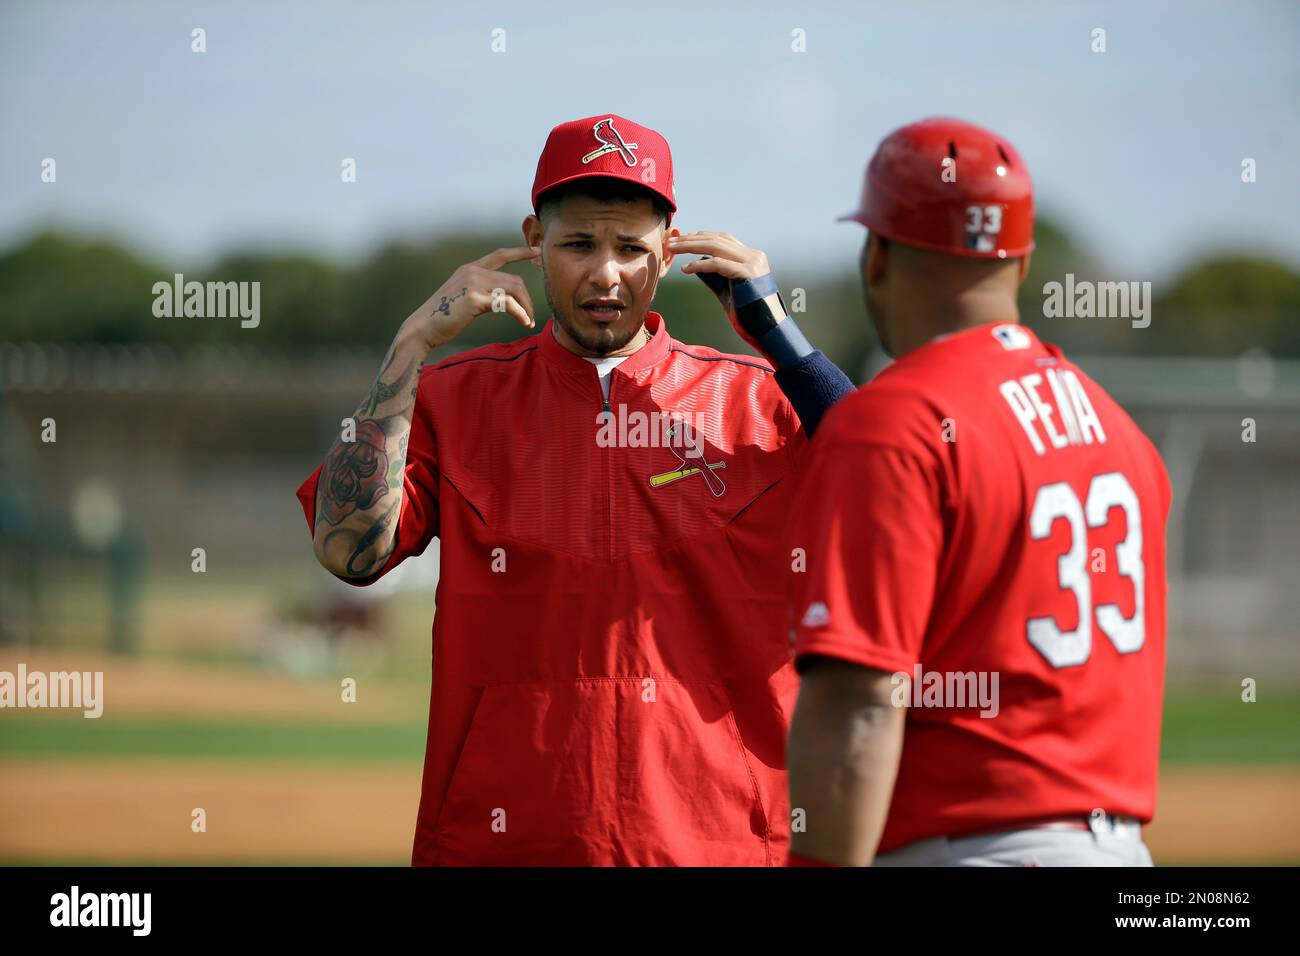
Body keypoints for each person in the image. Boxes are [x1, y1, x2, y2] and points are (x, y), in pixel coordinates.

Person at [296, 113, 854, 865]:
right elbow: (349, 552)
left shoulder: (760, 399)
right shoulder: (454, 399)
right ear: (535, 240)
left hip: (718, 841)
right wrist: (409, 348)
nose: (605, 274)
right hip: (501, 839)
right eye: (579, 245)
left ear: (670, 244)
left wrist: (782, 335)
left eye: (630, 247)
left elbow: (901, 485)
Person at [785, 117, 1170, 867]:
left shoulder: (894, 420)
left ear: (876, 257)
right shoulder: (1124, 435)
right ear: (1020, 265)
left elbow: (858, 704)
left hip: (972, 850)